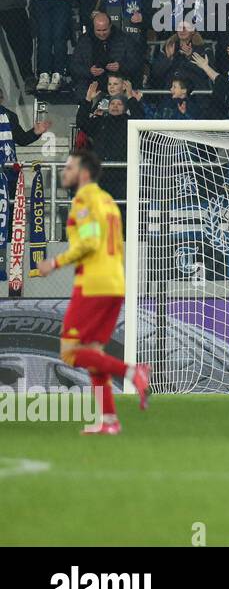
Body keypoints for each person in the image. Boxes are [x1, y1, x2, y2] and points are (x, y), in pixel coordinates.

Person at [36, 149, 151, 434]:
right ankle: (109, 420)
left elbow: (88, 243)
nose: (65, 171)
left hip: (93, 285)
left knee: (70, 353)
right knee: (93, 353)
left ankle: (131, 371)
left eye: (69, 167)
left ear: (83, 172)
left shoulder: (84, 200)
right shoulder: (108, 201)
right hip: (114, 282)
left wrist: (55, 262)